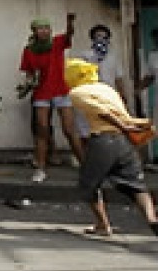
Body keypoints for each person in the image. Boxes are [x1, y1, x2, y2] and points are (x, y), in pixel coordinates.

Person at [64, 58, 158, 237]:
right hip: (123, 141)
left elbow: (102, 112)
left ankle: (102, 224)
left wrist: (125, 127)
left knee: (89, 184)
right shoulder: (106, 88)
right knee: (136, 185)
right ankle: (152, 218)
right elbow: (121, 110)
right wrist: (127, 127)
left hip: (103, 140)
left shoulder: (77, 92)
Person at [20, 14, 83, 183]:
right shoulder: (29, 50)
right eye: (40, 28)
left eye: (47, 28)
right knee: (42, 130)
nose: (44, 31)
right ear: (34, 31)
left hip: (61, 91)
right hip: (41, 93)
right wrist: (28, 83)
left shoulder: (57, 43)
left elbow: (70, 35)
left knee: (69, 130)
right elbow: (29, 73)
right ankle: (40, 168)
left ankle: (85, 166)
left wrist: (70, 22)